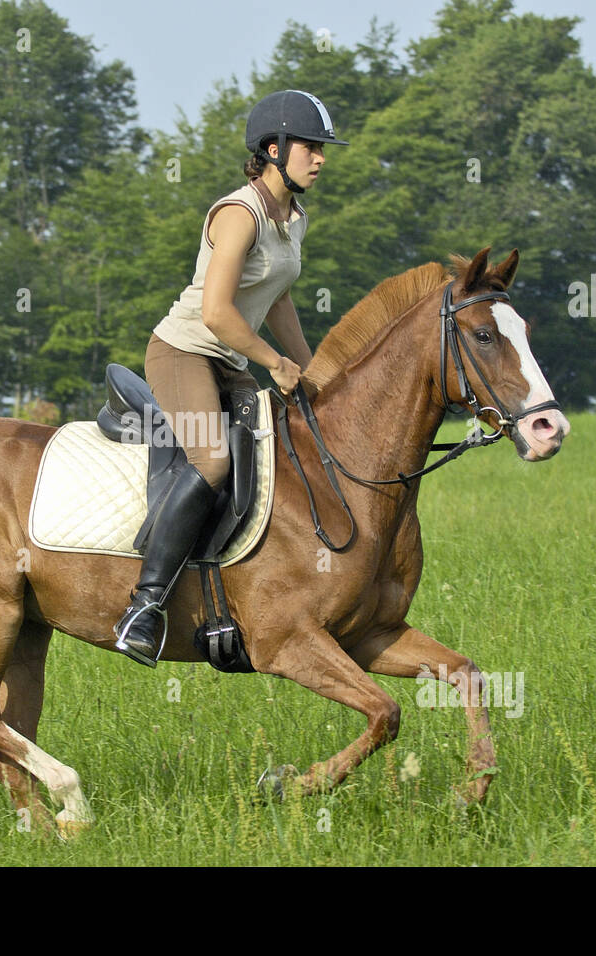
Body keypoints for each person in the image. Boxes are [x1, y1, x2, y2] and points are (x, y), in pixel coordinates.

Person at [113, 89, 349, 667]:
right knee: (213, 462)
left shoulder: (293, 218)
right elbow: (218, 314)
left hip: (232, 360)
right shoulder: (238, 214)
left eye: (322, 149)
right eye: (310, 148)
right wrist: (275, 364)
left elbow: (278, 297)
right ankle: (143, 607)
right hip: (185, 352)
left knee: (283, 454)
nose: (320, 158)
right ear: (274, 148)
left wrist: (315, 369)